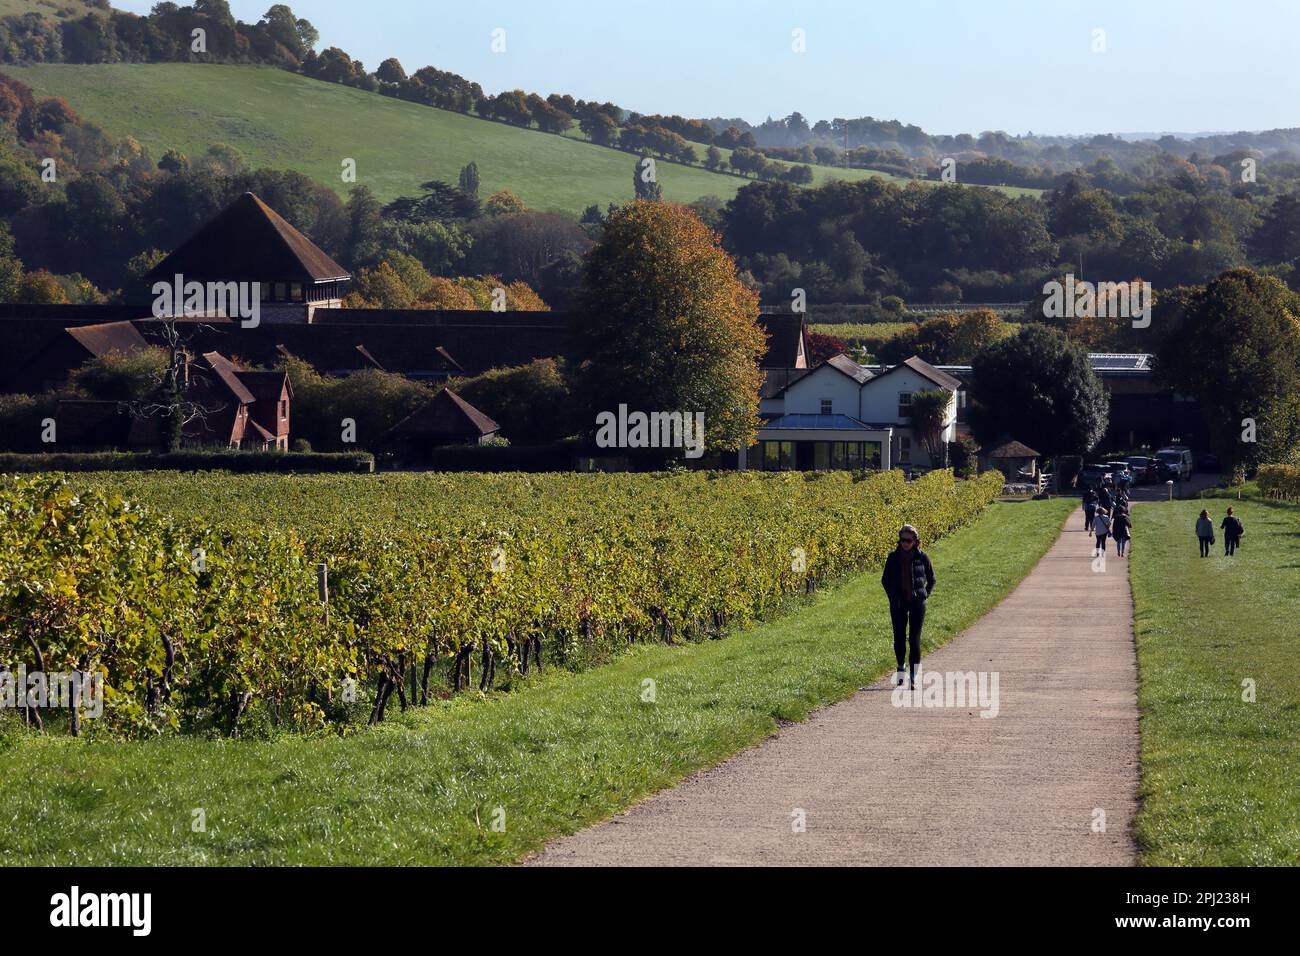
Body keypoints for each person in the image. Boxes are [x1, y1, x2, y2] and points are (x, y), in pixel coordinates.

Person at [881, 523, 935, 691]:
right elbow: (885, 580)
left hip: (917, 603)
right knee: (899, 638)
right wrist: (892, 597)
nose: (905, 543)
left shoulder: (922, 557)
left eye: (908, 540)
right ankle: (900, 667)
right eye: (902, 540)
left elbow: (931, 578)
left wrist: (924, 594)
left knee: (914, 639)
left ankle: (914, 675)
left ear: (915, 541)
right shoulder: (893, 557)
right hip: (898, 603)